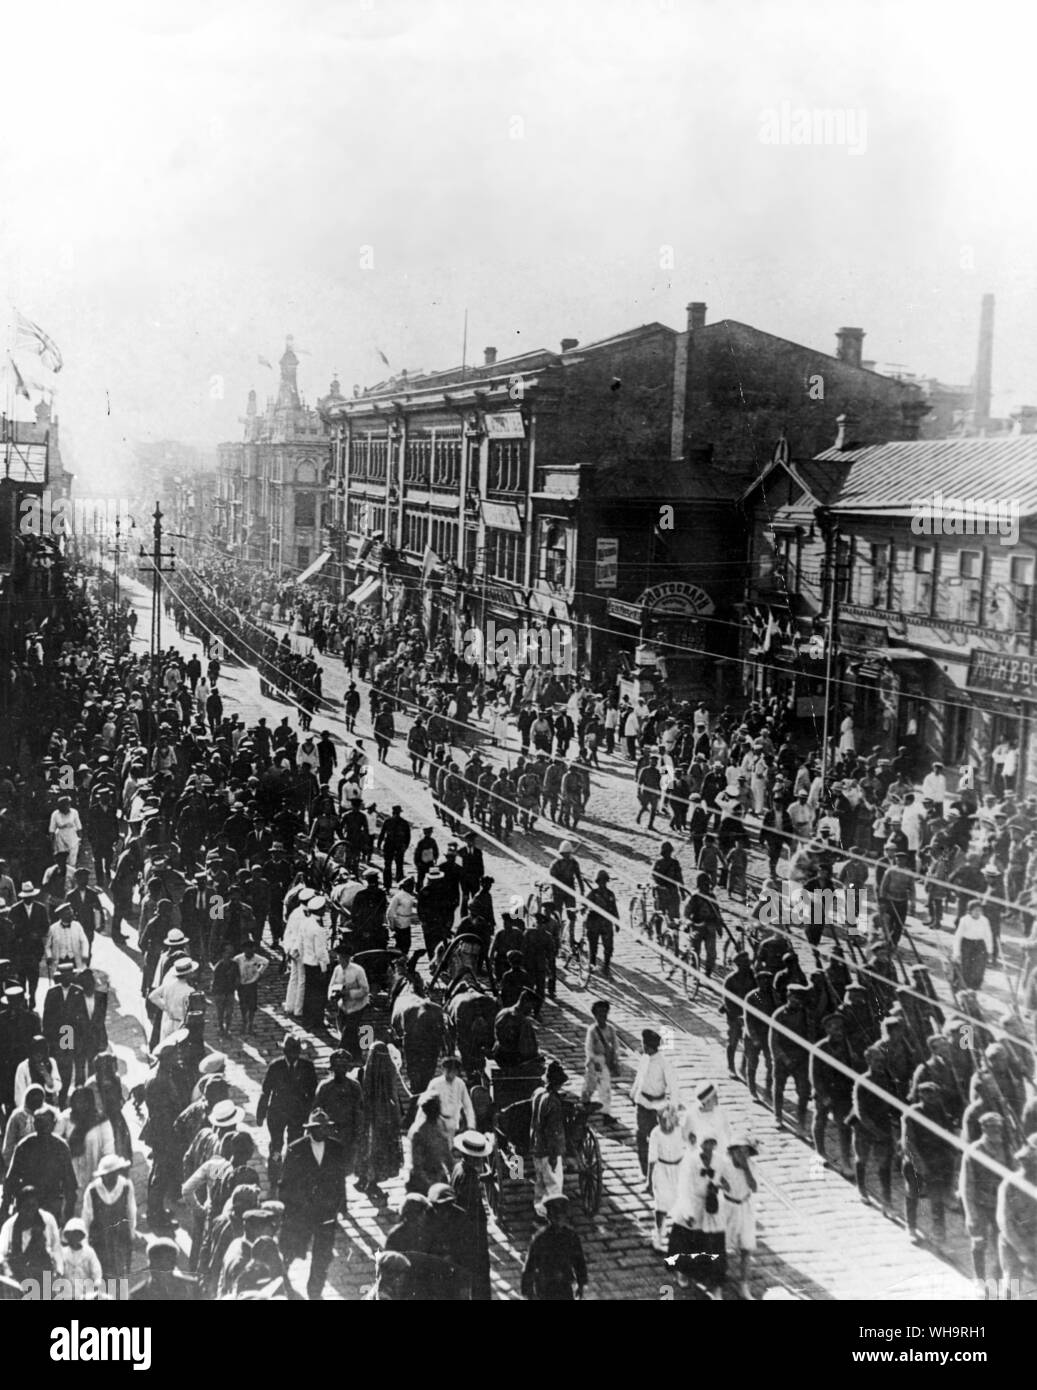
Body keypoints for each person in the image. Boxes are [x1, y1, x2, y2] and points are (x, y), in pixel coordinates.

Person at [279, 1109, 348, 1300]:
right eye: (318, 1128)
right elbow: (285, 1183)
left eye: (325, 1127)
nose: (322, 1131)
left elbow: (339, 1179)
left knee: (322, 1256)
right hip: (301, 1213)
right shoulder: (296, 1148)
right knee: (291, 1251)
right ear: (310, 1129)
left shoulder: (336, 1148)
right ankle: (282, 1282)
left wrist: (341, 1205)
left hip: (326, 1213)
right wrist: (289, 1211)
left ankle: (314, 1292)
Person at [356, 1041, 412, 1203]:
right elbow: (395, 1095)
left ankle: (365, 1178)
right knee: (378, 1151)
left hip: (372, 1120)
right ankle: (371, 1182)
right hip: (382, 1119)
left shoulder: (365, 1072)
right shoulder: (389, 1070)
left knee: (369, 1150)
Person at [256, 1035, 318, 1178]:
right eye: (290, 1050)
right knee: (277, 1146)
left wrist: (310, 1115)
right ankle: (275, 1171)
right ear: (284, 1051)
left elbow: (313, 1094)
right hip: (277, 1112)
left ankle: (291, 1171)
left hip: (298, 1114)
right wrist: (261, 1114)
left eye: (296, 1050)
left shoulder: (307, 1067)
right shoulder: (275, 1066)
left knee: (294, 1144)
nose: (293, 1054)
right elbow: (266, 1091)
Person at [450, 1130, 494, 1301]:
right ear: (475, 1158)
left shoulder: (459, 1168)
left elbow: (471, 1177)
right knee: (480, 1274)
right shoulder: (468, 1178)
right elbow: (468, 1211)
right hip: (472, 1236)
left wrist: (483, 1178)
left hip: (464, 1232)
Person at [631, 1028, 680, 1174]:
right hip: (642, 1103)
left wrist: (672, 1109)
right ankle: (645, 1171)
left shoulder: (664, 1063)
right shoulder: (644, 1058)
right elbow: (639, 1078)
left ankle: (658, 1171)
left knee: (657, 1140)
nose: (644, 1047)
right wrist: (633, 1093)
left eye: (646, 1045)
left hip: (658, 1107)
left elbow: (673, 1088)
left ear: (651, 1046)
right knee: (641, 1136)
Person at [81, 1154, 137, 1282]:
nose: (110, 1178)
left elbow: (131, 1211)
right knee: (100, 1274)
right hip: (100, 1239)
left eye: (113, 1174)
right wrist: (85, 1244)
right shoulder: (92, 1190)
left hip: (120, 1237)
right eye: (107, 1175)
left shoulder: (126, 1186)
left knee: (120, 1274)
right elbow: (86, 1217)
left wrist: (131, 1234)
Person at [521, 1193, 586, 1300]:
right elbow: (529, 1266)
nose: (558, 1220)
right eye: (555, 1217)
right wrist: (528, 1293)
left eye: (561, 1216)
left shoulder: (571, 1237)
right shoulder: (540, 1238)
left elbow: (579, 1262)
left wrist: (581, 1284)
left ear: (565, 1216)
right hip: (545, 1287)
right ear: (549, 1217)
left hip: (564, 1285)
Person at [0, 1187, 64, 1283]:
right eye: (26, 1206)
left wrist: (58, 1272)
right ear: (19, 1207)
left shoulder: (48, 1220)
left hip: (43, 1274)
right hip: (17, 1277)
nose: (30, 1210)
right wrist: (8, 1273)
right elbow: (1, 1254)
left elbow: (56, 1248)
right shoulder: (9, 1226)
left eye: (33, 1206)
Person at [530, 1060, 569, 1217]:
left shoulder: (538, 1094)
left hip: (536, 1147)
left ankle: (539, 1210)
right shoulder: (554, 1103)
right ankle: (553, 1214)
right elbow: (553, 1132)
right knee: (554, 1184)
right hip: (548, 1150)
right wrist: (554, 1156)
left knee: (540, 1181)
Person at [645, 1102, 684, 1252]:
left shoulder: (680, 1131)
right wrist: (649, 1181)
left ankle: (678, 1238)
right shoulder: (656, 1134)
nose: (664, 1123)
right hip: (662, 1170)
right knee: (661, 1205)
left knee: (679, 1203)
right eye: (661, 1119)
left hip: (678, 1169)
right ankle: (658, 1236)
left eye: (668, 1119)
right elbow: (652, 1159)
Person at [724, 1134, 759, 1300]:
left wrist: (746, 1169)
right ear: (732, 1152)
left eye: (746, 1152)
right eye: (739, 1151)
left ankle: (744, 1286)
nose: (743, 1155)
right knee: (721, 1246)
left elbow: (754, 1187)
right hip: (727, 1207)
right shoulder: (724, 1165)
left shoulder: (751, 1166)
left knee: (747, 1247)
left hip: (745, 1207)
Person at [328, 942, 370, 1062]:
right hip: (343, 1006)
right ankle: (356, 1055)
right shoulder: (337, 969)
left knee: (348, 1031)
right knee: (346, 1030)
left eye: (344, 958)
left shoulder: (358, 971)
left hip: (357, 1006)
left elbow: (365, 989)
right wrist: (332, 995)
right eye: (340, 957)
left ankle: (340, 1056)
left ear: (349, 958)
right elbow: (331, 985)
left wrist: (349, 993)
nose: (341, 960)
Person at [581, 1000, 620, 1125]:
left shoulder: (611, 1029)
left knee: (605, 1088)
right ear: (595, 1015)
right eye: (599, 1013)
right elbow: (588, 1048)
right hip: (593, 1063)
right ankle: (585, 1103)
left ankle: (605, 1114)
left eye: (605, 1012)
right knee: (589, 1085)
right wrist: (592, 1060)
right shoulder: (592, 1030)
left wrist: (615, 1060)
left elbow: (615, 1046)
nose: (603, 1015)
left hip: (604, 1062)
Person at [421, 1055, 475, 1143]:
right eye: (448, 1070)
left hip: (453, 1123)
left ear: (457, 1071)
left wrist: (471, 1125)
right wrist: (420, 1125)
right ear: (443, 1069)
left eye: (454, 1071)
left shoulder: (460, 1084)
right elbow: (424, 1104)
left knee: (449, 1150)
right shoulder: (435, 1083)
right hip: (437, 1122)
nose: (450, 1073)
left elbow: (468, 1106)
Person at [407, 1095, 452, 1196]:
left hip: (438, 1174)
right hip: (422, 1180)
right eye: (434, 1108)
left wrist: (453, 1176)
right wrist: (431, 1186)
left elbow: (447, 1154)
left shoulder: (440, 1124)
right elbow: (417, 1166)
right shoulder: (418, 1132)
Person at [953, 900, 994, 991]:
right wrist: (956, 952)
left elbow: (988, 935)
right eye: (975, 910)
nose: (977, 913)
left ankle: (975, 985)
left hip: (979, 944)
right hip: (967, 943)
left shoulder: (984, 920)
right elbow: (958, 936)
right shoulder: (964, 920)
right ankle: (964, 984)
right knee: (966, 964)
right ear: (970, 911)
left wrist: (990, 950)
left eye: (979, 910)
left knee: (979, 966)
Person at [60, 1217, 103, 1299]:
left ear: (81, 1235)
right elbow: (59, 1272)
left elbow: (97, 1271)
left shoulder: (89, 1252)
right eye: (71, 1234)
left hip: (85, 1292)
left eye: (77, 1234)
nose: (74, 1237)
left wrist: (97, 1283)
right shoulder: (63, 1252)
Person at [584, 870, 617, 977]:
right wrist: (584, 910)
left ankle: (606, 966)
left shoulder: (610, 894)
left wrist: (617, 922)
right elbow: (585, 904)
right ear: (598, 882)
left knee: (609, 946)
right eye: (601, 881)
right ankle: (592, 963)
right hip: (594, 922)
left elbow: (614, 908)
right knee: (593, 945)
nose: (603, 884)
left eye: (605, 881)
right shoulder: (593, 894)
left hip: (606, 923)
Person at [233, 939, 268, 1035]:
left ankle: (251, 1025)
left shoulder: (256, 958)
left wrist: (259, 973)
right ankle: (244, 1022)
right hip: (242, 985)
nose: (250, 951)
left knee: (252, 1005)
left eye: (252, 949)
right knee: (243, 1004)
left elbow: (266, 962)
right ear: (243, 949)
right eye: (247, 949)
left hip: (252, 985)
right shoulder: (238, 958)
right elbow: (234, 967)